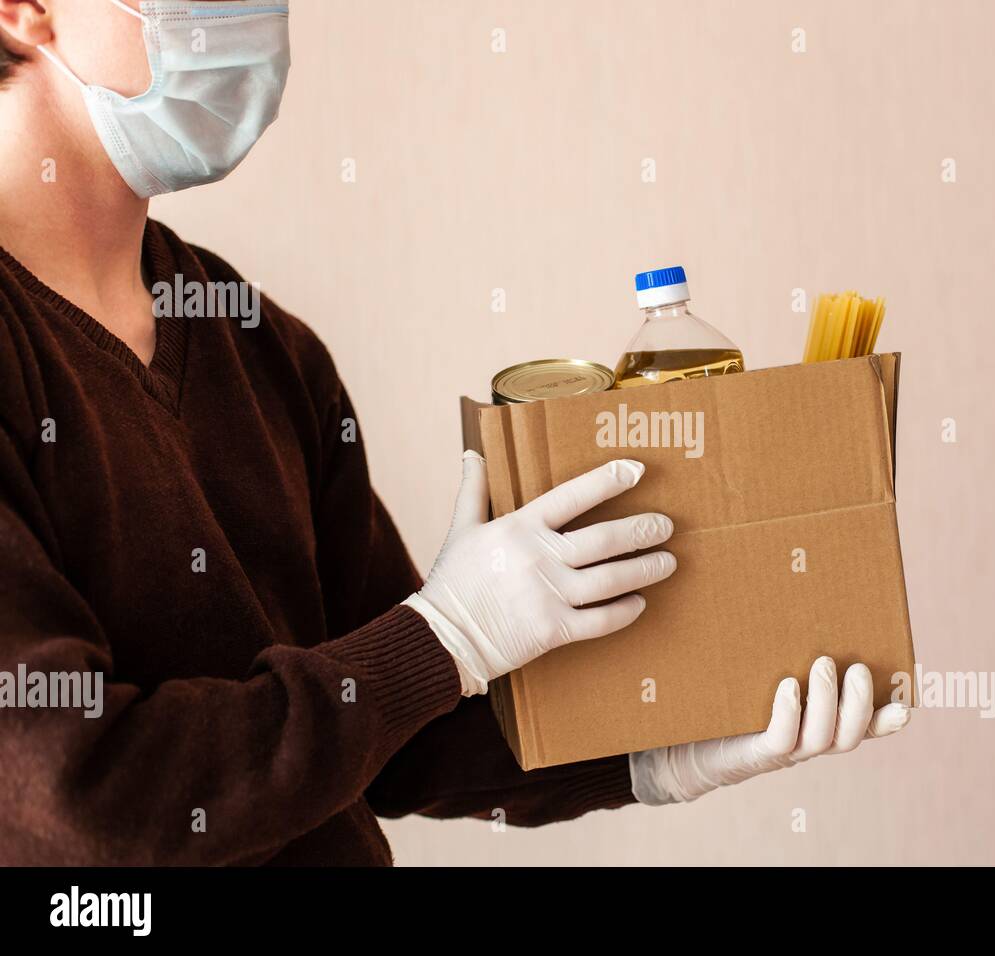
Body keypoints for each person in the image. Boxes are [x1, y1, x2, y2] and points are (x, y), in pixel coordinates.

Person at [0, 0, 909, 866]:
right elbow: (74, 803)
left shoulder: (255, 339)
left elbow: (399, 738)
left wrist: (662, 755)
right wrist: (446, 633)